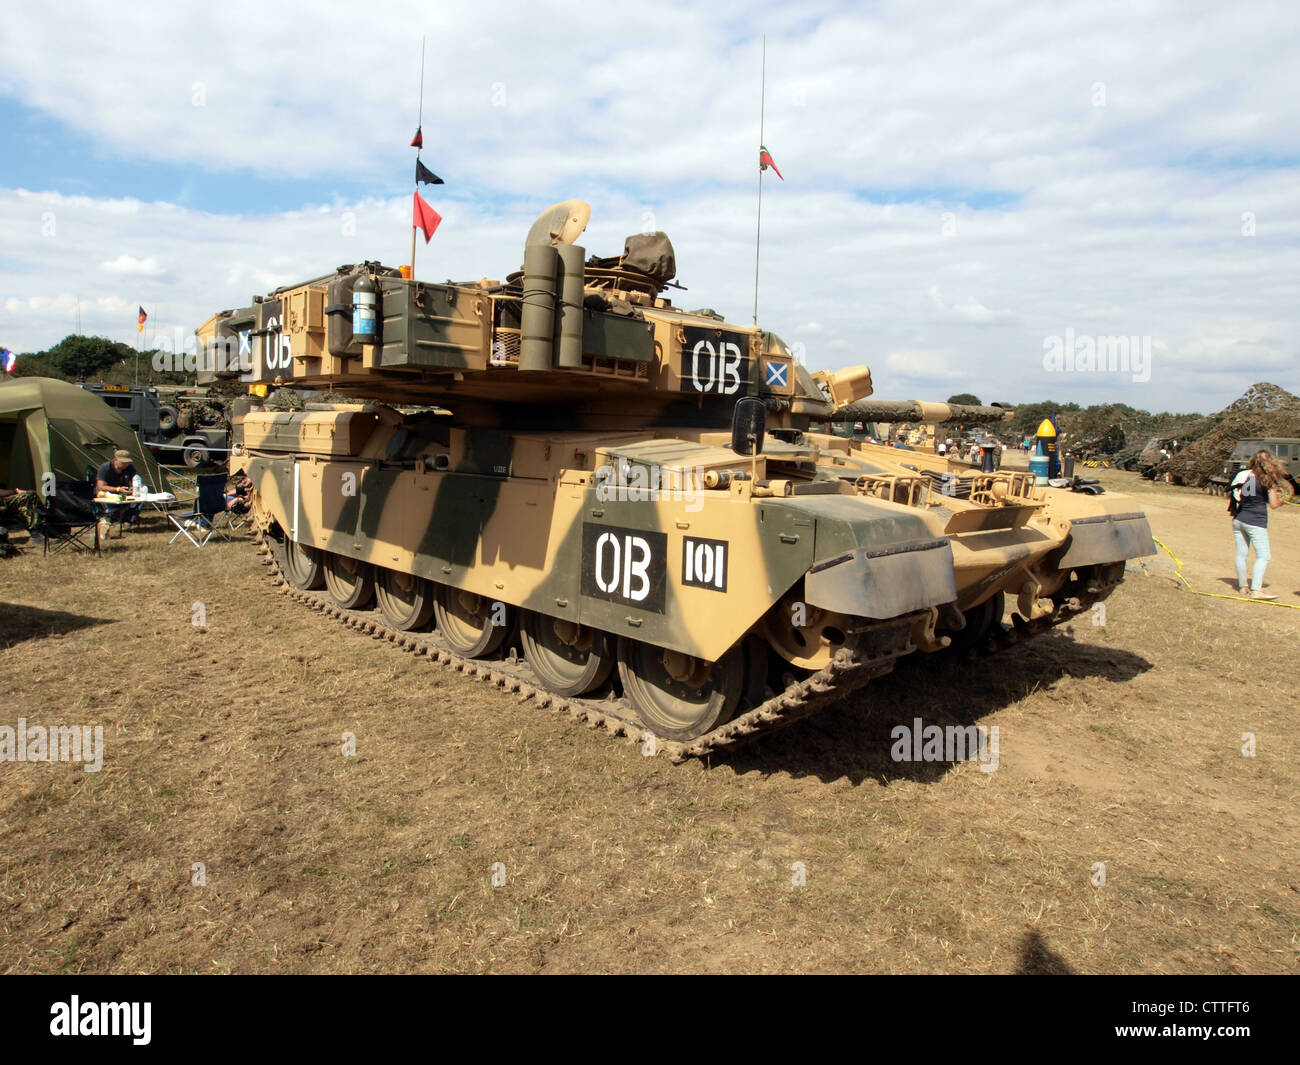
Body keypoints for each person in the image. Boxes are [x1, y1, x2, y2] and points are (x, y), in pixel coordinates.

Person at [1229, 449, 1289, 600]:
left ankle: (1243, 587)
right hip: (1255, 521)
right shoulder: (1268, 480)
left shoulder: (1244, 475)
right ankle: (1256, 590)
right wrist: (1284, 500)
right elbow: (1274, 504)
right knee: (1264, 556)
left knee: (1241, 554)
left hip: (1239, 519)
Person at [95, 449, 143, 534]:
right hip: (108, 493)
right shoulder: (105, 468)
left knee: (140, 498)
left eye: (127, 462)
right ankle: (114, 519)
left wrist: (136, 488)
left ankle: (128, 519)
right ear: (116, 460)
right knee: (106, 497)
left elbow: (135, 480)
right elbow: (101, 486)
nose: (126, 464)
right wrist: (118, 489)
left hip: (123, 493)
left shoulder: (129, 468)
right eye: (124, 462)